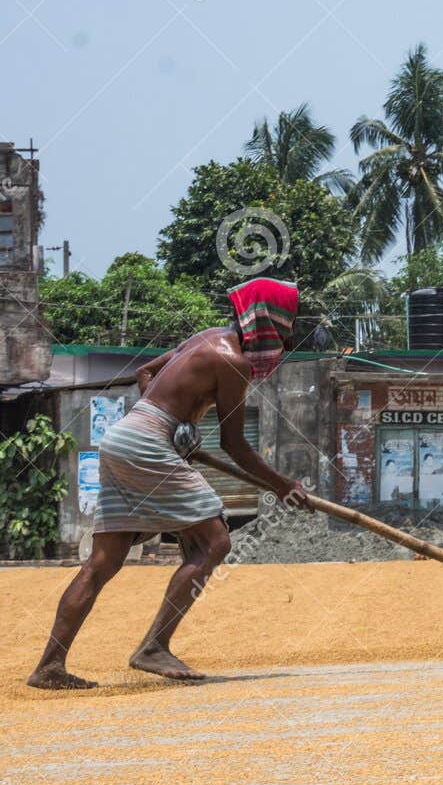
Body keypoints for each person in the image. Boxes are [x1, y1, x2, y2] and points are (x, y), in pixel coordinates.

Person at [27, 278, 314, 690]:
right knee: (215, 541)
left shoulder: (207, 338)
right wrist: (281, 483)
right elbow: (234, 443)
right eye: (288, 323)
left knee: (103, 564)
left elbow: (146, 372)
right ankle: (154, 647)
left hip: (122, 437)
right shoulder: (233, 361)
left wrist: (176, 427)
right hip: (144, 444)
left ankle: (50, 666)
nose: (289, 333)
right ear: (271, 320)